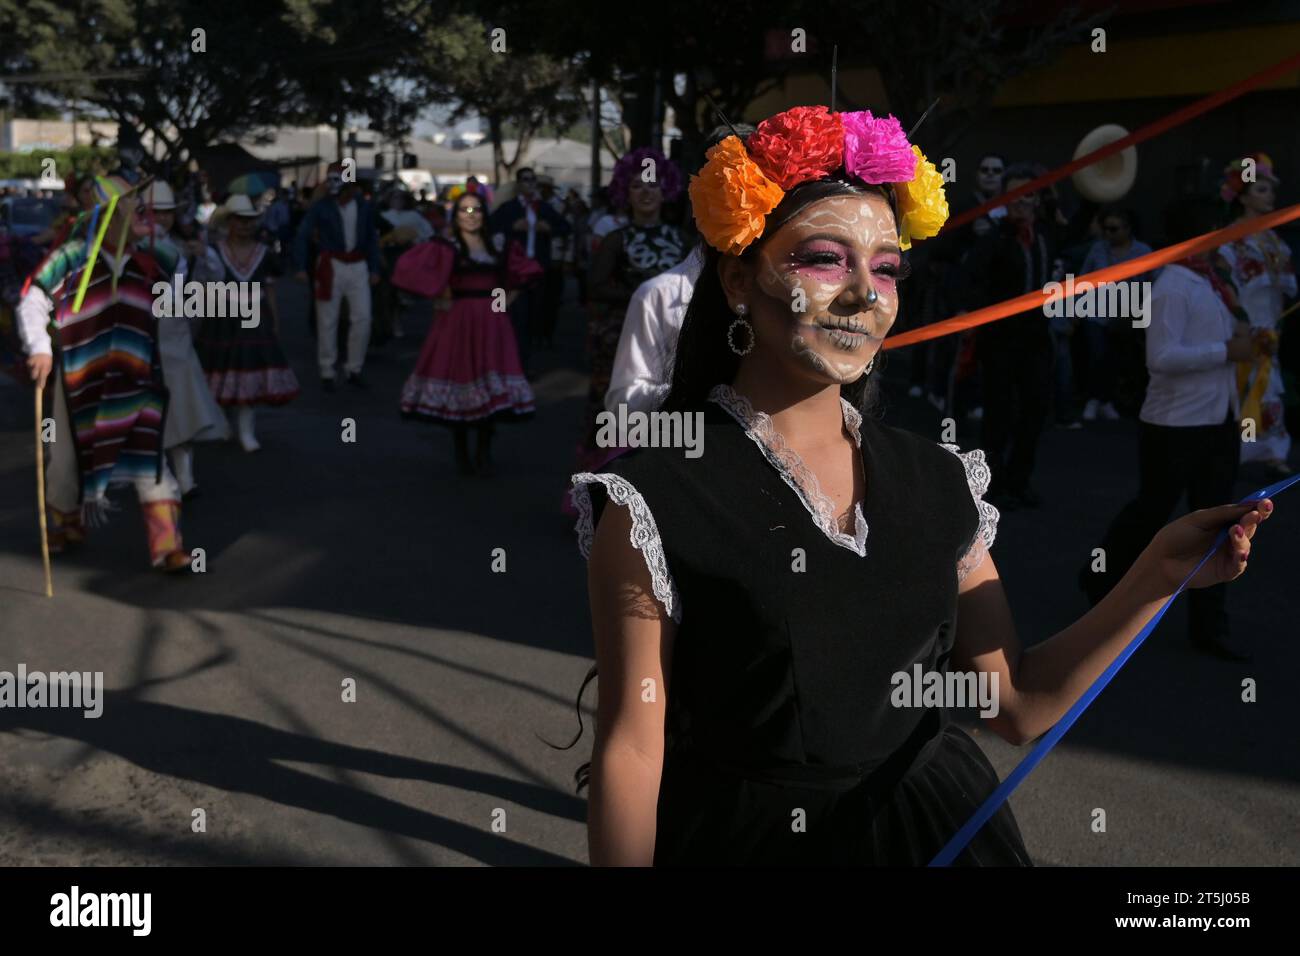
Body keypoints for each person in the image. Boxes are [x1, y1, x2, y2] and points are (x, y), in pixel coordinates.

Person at [559, 109, 1273, 867]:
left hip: (939, 830)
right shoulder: (657, 498)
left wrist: (1157, 574)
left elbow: (1015, 702)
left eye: (888, 268)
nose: (866, 294)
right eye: (826, 259)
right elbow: (632, 751)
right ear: (739, 279)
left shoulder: (938, 478)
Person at [1081, 197, 1265, 661]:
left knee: (1222, 525)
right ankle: (1100, 580)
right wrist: (1226, 351)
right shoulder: (1173, 286)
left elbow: (1219, 341)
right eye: (1218, 231)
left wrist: (1246, 342)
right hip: (1174, 425)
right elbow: (1160, 358)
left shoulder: (1212, 281)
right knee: (1151, 512)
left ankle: (1209, 625)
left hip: (1218, 421)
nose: (1226, 240)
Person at [16, 176, 193, 571]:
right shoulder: (72, 256)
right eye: (131, 205)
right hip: (79, 379)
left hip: (136, 375)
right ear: (109, 216)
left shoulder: (155, 257)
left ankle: (168, 546)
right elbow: (34, 299)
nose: (141, 212)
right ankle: (65, 524)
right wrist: (41, 348)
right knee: (66, 459)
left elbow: (180, 284)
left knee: (149, 457)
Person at [396, 192, 540, 476]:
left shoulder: (498, 244)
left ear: (484, 214)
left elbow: (524, 274)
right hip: (457, 319)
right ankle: (462, 452)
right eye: (464, 210)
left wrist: (503, 302)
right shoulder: (446, 245)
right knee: (461, 382)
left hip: (492, 321)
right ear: (456, 215)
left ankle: (484, 451)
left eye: (476, 209)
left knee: (491, 382)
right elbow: (411, 270)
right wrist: (439, 295)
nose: (471, 215)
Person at [578, 147, 687, 471]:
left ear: (666, 190)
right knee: (617, 408)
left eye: (653, 185)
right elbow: (594, 287)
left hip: (673, 337)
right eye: (637, 185)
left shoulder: (683, 239)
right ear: (625, 193)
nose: (646, 192)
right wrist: (643, 295)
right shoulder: (615, 239)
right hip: (623, 337)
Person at [960, 162, 1057, 509]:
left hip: (1037, 338)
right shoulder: (995, 237)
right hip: (1000, 340)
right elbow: (969, 278)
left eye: (1027, 195)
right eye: (1013, 195)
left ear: (1037, 199)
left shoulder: (1045, 235)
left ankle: (1019, 480)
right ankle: (993, 484)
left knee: (1035, 410)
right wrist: (979, 315)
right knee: (998, 414)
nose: (1020, 201)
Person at [140, 180, 229, 495]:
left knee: (183, 405)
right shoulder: (131, 247)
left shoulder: (184, 246)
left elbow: (214, 278)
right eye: (156, 212)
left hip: (175, 334)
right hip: (142, 333)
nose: (162, 218)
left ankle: (185, 478)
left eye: (167, 212)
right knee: (147, 409)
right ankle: (159, 478)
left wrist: (204, 255)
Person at [194, 194, 299, 451]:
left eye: (249, 220)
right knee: (220, 371)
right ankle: (224, 425)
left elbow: (269, 288)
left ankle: (246, 430)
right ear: (229, 222)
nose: (245, 225)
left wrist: (274, 319)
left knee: (248, 369)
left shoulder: (264, 253)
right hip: (220, 315)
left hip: (254, 317)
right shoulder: (215, 251)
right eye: (239, 220)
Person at [1218, 153, 1296, 476]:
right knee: (1244, 386)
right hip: (1242, 323)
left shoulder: (1273, 239)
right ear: (1243, 196)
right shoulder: (1231, 239)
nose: (1269, 196)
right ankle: (1240, 450)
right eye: (1261, 190)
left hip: (1270, 322)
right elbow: (1225, 285)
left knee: (1267, 387)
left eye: (1270, 190)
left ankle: (1270, 452)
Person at [293, 162, 382, 390]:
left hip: (358, 264)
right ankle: (327, 370)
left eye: (337, 179)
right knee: (327, 319)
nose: (332, 184)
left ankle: (354, 368)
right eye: (330, 179)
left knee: (363, 318)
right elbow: (303, 234)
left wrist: (374, 268)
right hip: (331, 264)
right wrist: (300, 266)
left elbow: (372, 238)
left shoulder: (363, 206)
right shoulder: (321, 207)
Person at [488, 167, 571, 369]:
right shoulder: (509, 208)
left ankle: (522, 362)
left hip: (536, 270)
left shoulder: (542, 208)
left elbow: (566, 227)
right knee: (508, 313)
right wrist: (511, 227)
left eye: (533, 180)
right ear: (518, 184)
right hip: (511, 271)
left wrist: (549, 228)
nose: (531, 183)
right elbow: (489, 227)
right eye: (526, 179)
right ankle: (506, 360)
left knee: (532, 316)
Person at [1078, 207, 1153, 422]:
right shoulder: (1098, 249)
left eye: (1114, 229)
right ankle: (1094, 398)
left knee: (1117, 357)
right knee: (1097, 354)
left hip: (1127, 314)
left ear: (1128, 229)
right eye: (1105, 229)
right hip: (1097, 311)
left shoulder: (1143, 251)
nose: (1108, 234)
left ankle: (1106, 399)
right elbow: (1083, 277)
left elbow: (1154, 280)